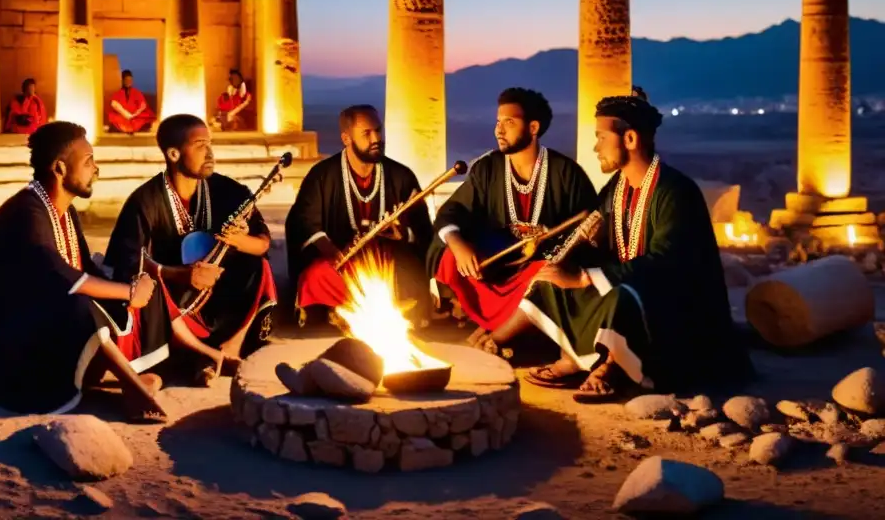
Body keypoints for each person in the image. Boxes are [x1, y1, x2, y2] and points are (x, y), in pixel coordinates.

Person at [495, 90, 752, 402]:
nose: (595, 147)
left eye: (602, 138)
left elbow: (665, 261)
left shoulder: (675, 191)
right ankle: (504, 342)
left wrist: (583, 278)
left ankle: (612, 368)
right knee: (553, 277)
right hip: (629, 286)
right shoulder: (617, 187)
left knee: (619, 294)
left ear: (629, 139)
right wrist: (579, 251)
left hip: (675, 308)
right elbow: (600, 239)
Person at [0, 121, 167, 423]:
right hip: (11, 335)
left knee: (140, 285)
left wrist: (131, 284)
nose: (96, 169)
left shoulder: (64, 209)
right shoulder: (26, 211)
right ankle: (131, 387)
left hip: (50, 318)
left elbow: (84, 267)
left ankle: (116, 371)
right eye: (88, 161)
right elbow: (63, 277)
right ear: (60, 168)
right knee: (80, 304)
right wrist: (128, 292)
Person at [103, 114, 277, 384]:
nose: (209, 152)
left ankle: (228, 348)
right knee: (148, 288)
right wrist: (181, 275)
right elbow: (129, 262)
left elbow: (263, 243)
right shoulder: (145, 201)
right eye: (199, 145)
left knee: (259, 267)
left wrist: (240, 241)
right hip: (175, 302)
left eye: (210, 143)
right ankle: (203, 356)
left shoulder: (227, 190)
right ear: (173, 153)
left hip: (219, 294)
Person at [426, 88, 598, 349]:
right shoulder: (487, 168)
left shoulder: (566, 172)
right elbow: (453, 211)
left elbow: (587, 230)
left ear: (533, 127)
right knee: (450, 256)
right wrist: (457, 242)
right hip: (491, 266)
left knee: (546, 279)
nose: (499, 130)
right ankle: (498, 325)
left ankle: (507, 332)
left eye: (509, 122)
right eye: (498, 122)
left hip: (533, 272)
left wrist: (556, 252)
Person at [286, 105, 434, 325]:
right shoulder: (322, 175)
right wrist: (331, 250)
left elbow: (423, 227)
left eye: (378, 130)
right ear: (346, 138)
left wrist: (403, 233)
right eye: (366, 133)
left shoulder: (401, 176)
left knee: (409, 279)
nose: (376, 138)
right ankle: (360, 310)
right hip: (341, 261)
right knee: (316, 277)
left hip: (389, 261)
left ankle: (348, 312)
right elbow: (303, 222)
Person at [108, 69, 156, 134]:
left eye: (130, 80)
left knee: (145, 117)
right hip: (123, 116)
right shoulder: (118, 93)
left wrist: (136, 113)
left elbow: (143, 105)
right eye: (126, 80)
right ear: (122, 81)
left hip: (135, 116)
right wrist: (126, 114)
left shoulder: (137, 92)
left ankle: (132, 128)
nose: (129, 82)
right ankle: (125, 129)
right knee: (114, 118)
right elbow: (114, 104)